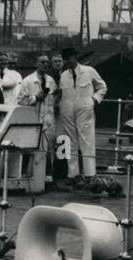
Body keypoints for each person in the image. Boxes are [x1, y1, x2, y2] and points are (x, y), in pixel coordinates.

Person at [56, 47, 107, 188]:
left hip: (84, 108)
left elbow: (103, 87)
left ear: (75, 57)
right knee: (69, 141)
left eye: (70, 58)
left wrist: (94, 100)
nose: (68, 61)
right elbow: (62, 93)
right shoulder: (64, 76)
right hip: (67, 110)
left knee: (87, 140)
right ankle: (73, 175)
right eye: (65, 58)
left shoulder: (89, 71)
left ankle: (90, 175)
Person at [18, 54, 58, 190]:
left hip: (47, 121)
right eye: (42, 62)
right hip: (33, 120)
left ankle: (47, 180)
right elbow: (20, 101)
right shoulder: (28, 81)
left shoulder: (51, 81)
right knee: (29, 149)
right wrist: (35, 98)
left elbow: (53, 101)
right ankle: (24, 176)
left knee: (47, 151)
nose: (45, 65)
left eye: (47, 62)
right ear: (36, 63)